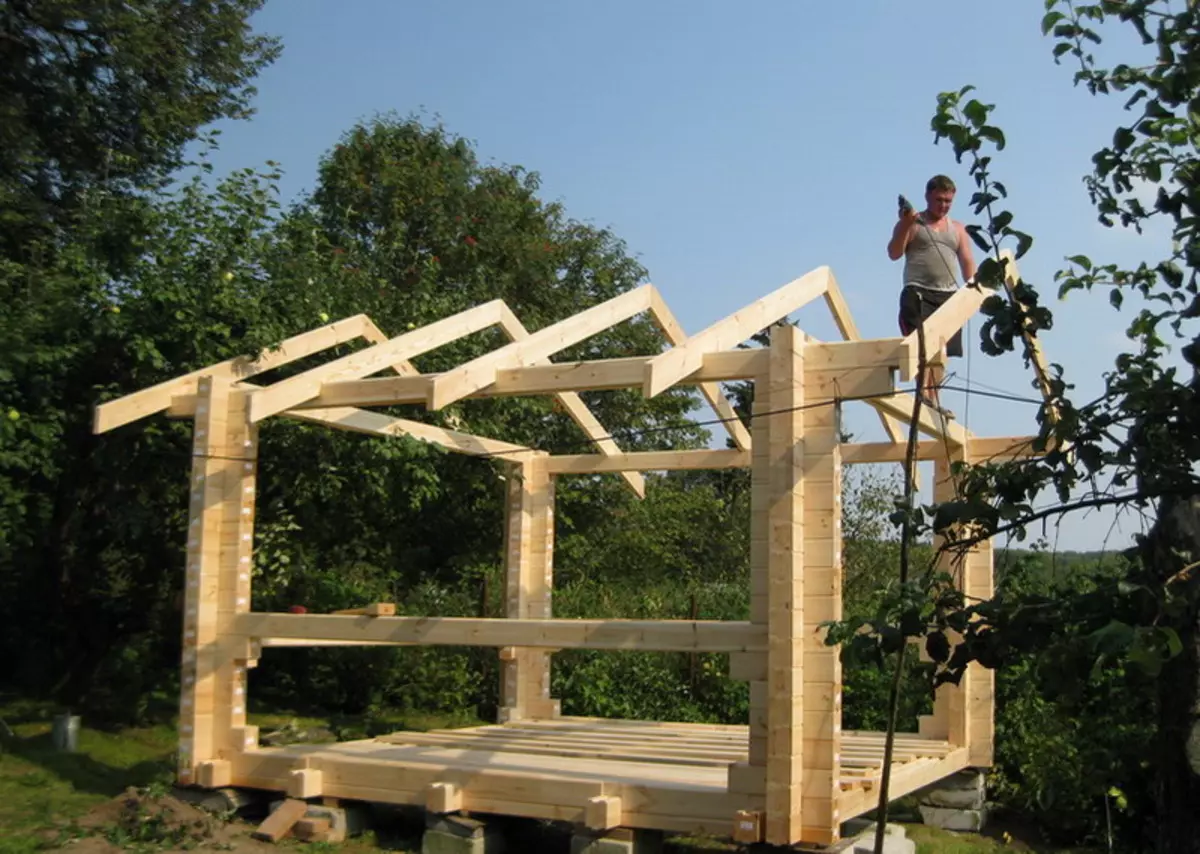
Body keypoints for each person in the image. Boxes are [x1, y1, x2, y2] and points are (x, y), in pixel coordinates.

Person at [887, 174, 977, 413]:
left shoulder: (957, 229)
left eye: (948, 201)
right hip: (918, 292)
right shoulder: (913, 223)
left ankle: (934, 401)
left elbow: (967, 260)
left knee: (941, 352)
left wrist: (974, 290)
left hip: (947, 295)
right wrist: (905, 224)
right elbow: (894, 253)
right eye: (939, 199)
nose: (943, 205)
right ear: (928, 196)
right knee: (921, 344)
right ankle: (922, 394)